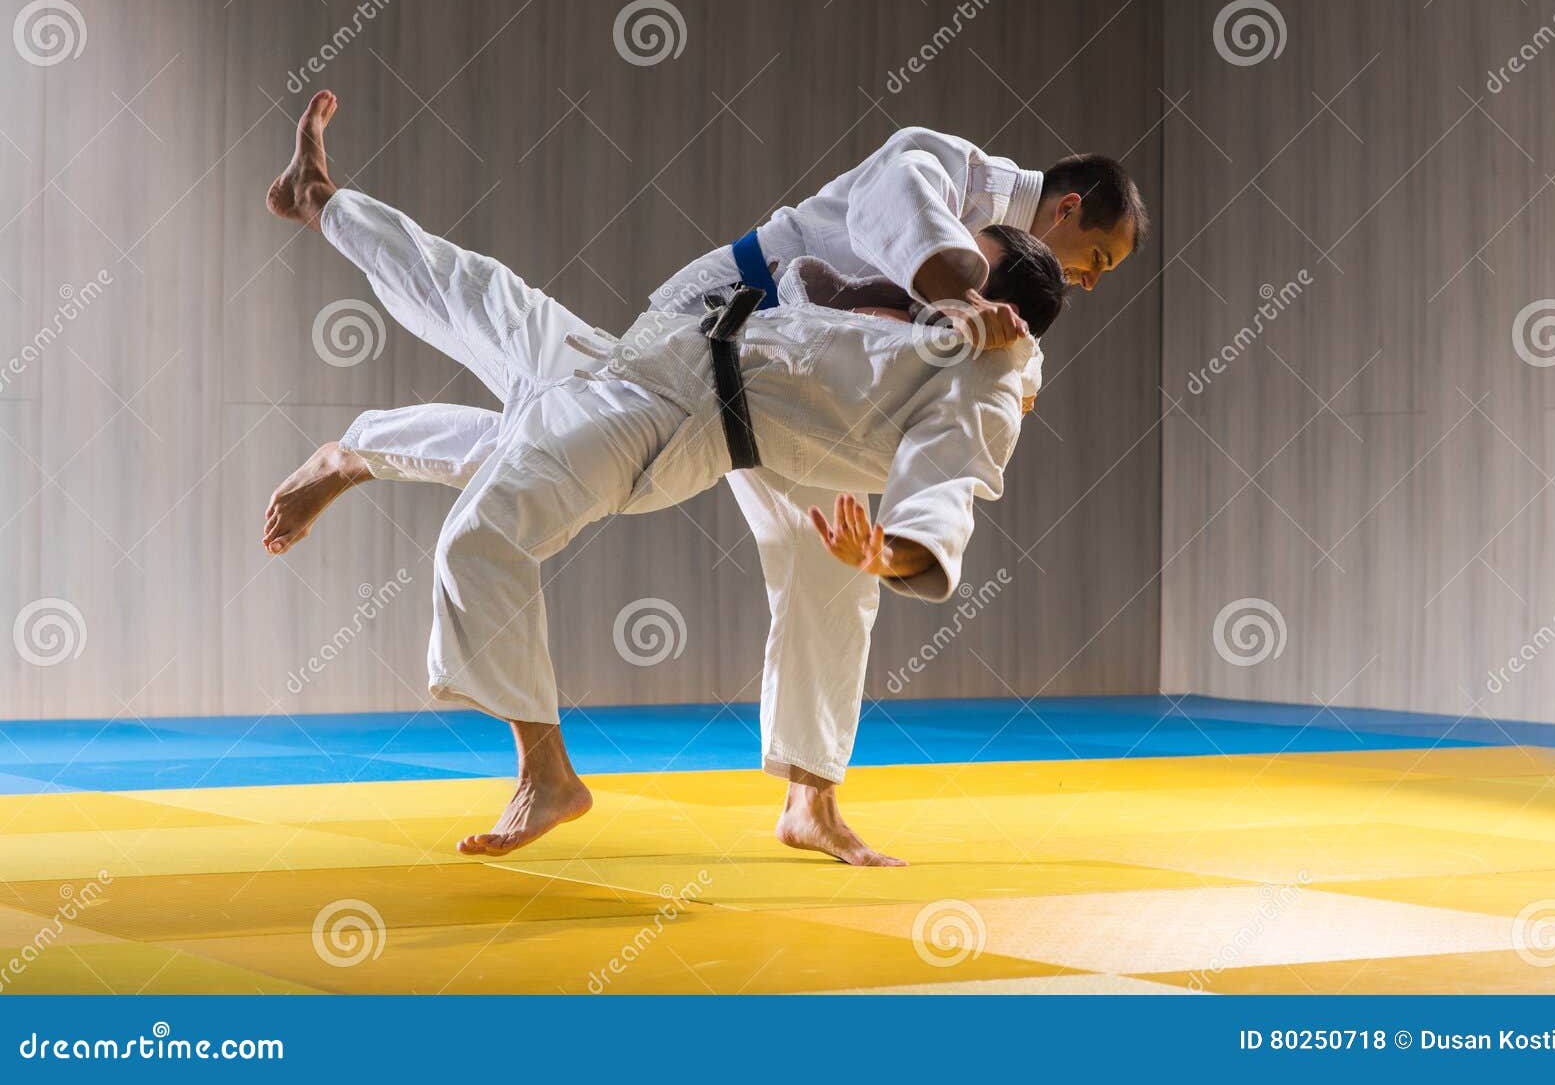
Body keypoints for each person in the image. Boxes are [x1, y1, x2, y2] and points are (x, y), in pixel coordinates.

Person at [264, 90, 1140, 863]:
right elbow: (897, 229)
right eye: (1096, 259)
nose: (1090, 282)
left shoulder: (990, 362)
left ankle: (808, 798)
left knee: (818, 563)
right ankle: (337, 290)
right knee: (510, 338)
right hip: (716, 322)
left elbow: (955, 469)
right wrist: (958, 296)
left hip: (737, 403)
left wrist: (898, 546)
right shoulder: (946, 187)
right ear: (1065, 212)